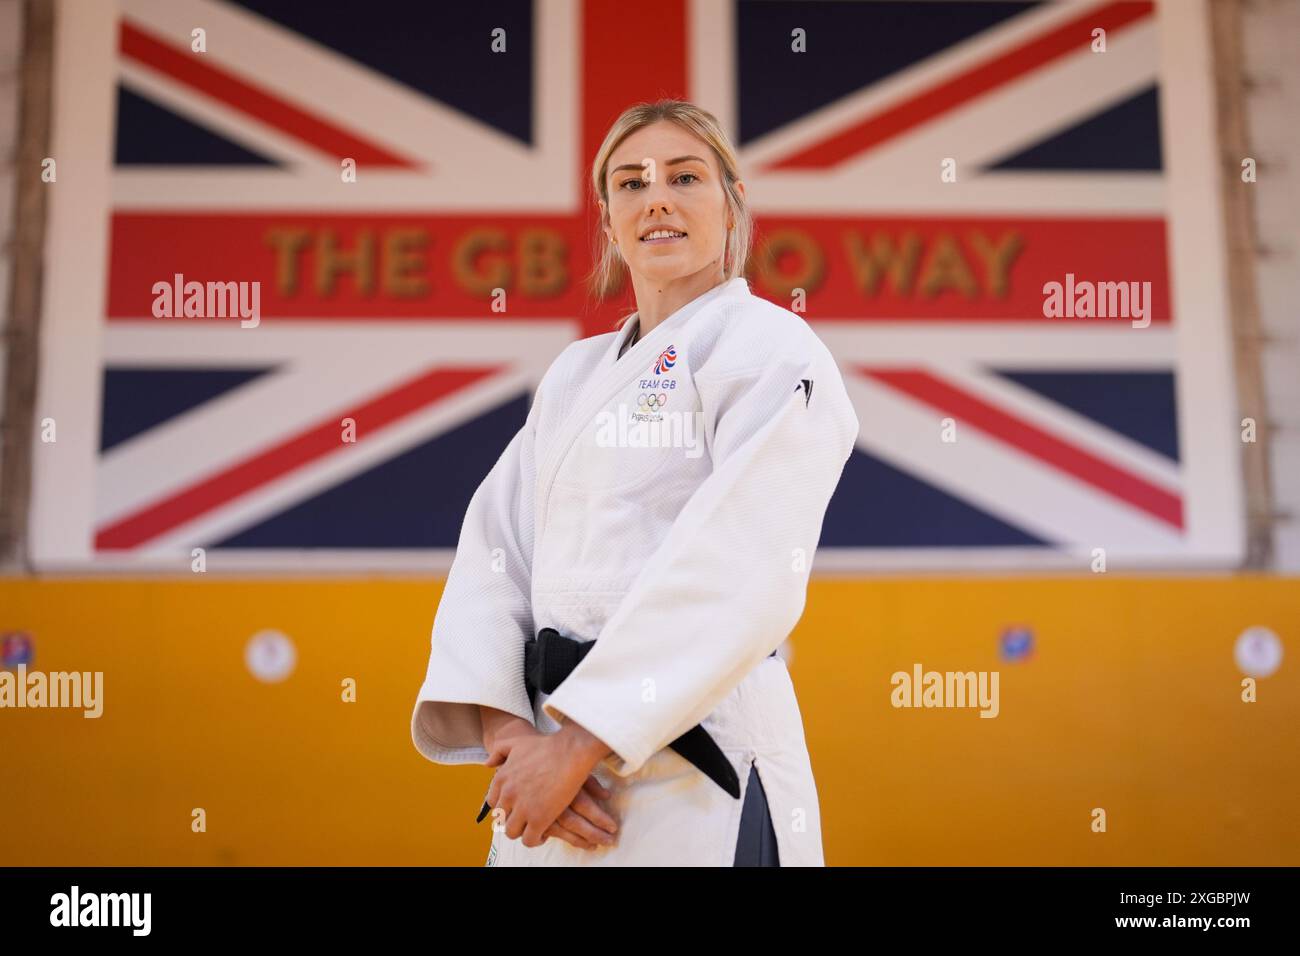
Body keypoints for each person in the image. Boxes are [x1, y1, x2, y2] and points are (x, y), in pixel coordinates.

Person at [410, 99, 859, 866]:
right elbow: (494, 556)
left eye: (685, 177)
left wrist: (583, 743)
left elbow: (741, 567)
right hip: (550, 777)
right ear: (608, 217)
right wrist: (512, 736)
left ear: (733, 202)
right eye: (630, 183)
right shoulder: (575, 374)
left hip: (697, 764)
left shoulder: (773, 350)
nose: (656, 199)